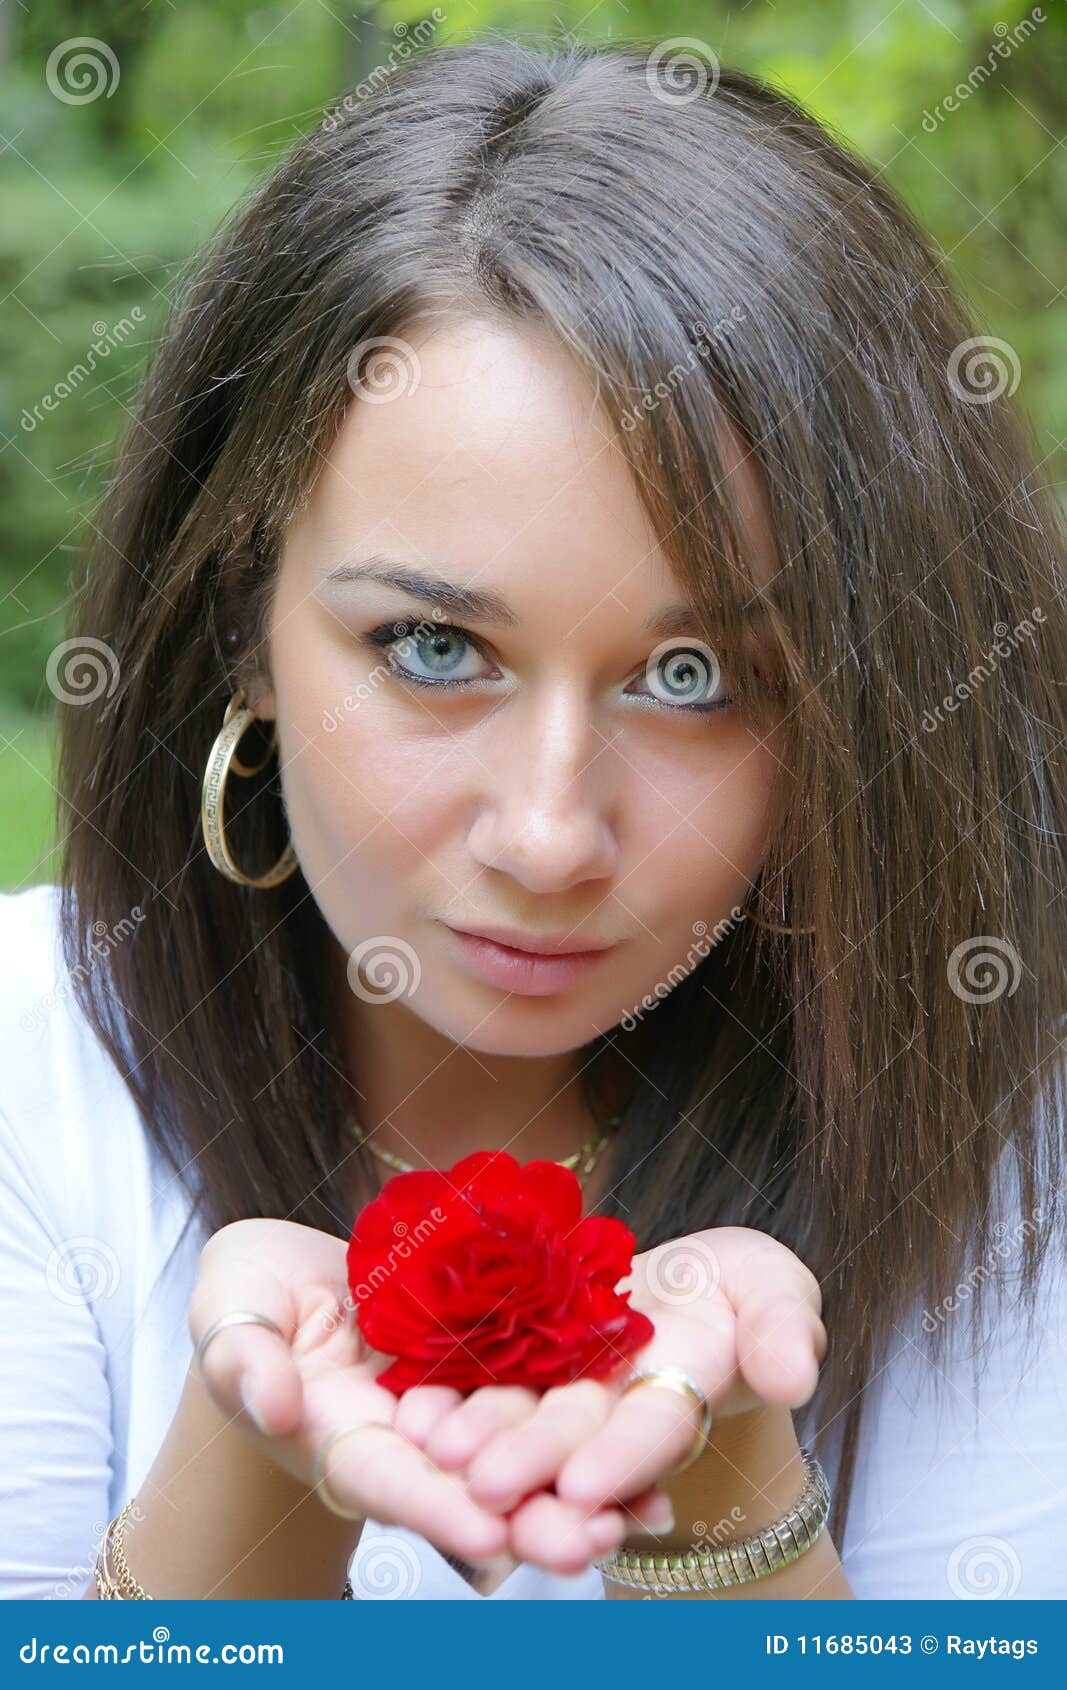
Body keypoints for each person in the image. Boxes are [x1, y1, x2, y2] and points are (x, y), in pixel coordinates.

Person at [1, 34, 1064, 1602]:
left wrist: (729, 1484)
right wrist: (254, 1472)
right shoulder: (31, 1078)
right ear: (243, 620)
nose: (553, 835)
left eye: (693, 675)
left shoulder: (1007, 1134)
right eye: (436, 650)